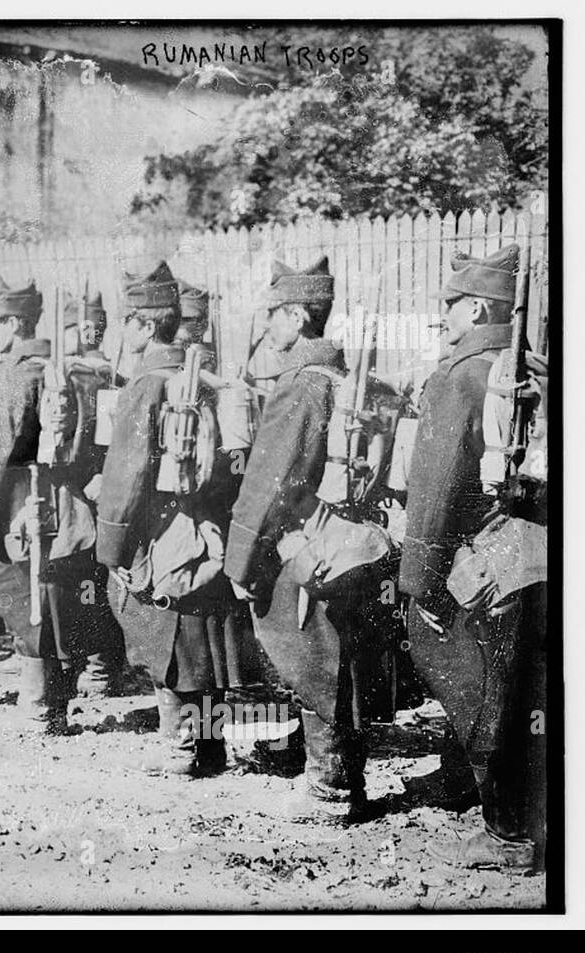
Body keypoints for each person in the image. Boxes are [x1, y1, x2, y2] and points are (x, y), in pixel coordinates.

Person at [225, 257, 400, 820]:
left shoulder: (300, 385)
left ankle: (329, 788)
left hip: (304, 547)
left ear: (298, 316)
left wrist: (240, 562)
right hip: (347, 544)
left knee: (312, 657)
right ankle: (335, 774)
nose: (267, 327)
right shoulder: (341, 379)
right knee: (337, 655)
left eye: (274, 314)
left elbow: (267, 483)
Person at [402, 244, 547, 873]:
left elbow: (434, 492)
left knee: (475, 683)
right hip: (537, 555)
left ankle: (506, 834)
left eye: (454, 304)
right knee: (525, 693)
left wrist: (421, 583)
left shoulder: (459, 375)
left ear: (480, 308)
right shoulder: (535, 370)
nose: (446, 316)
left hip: (483, 566)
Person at [96, 264, 252, 775]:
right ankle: (208, 745)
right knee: (199, 636)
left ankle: (182, 750)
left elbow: (125, 474)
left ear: (145, 326)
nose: (122, 330)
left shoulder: (145, 385)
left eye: (126, 320)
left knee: (165, 634)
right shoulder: (202, 377)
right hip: (205, 533)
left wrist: (113, 548)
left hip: (158, 535)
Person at [0, 277, 124, 731]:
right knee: (57, 599)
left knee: (21, 592)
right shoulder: (82, 372)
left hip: (25, 508)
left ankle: (40, 703)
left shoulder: (19, 375)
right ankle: (57, 695)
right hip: (75, 511)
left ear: (15, 323)